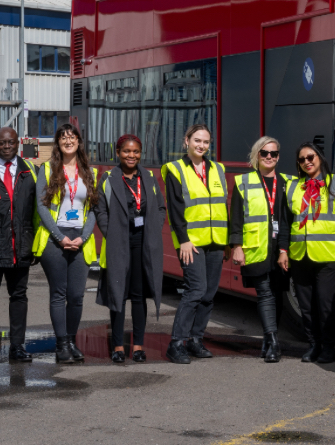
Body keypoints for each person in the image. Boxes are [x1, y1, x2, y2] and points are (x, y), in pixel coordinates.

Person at [277, 142, 335, 364]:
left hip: (326, 255)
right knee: (306, 306)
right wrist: (283, 251)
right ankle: (313, 345)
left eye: (311, 157)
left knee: (326, 304)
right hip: (299, 255)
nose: (307, 162)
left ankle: (328, 347)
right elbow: (286, 222)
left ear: (320, 158)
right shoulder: (294, 187)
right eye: (302, 159)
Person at [95, 134, 166, 364]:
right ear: (118, 152)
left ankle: (137, 346)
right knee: (118, 294)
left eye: (135, 152)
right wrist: (110, 232)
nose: (131, 155)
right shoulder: (108, 178)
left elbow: (160, 207)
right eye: (126, 151)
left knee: (138, 296)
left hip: (142, 242)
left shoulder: (149, 177)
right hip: (118, 242)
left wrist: (154, 229)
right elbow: (100, 209)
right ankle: (117, 346)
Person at [162, 123, 228, 365]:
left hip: (216, 241)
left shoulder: (217, 169)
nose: (201, 145)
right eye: (197, 140)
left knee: (209, 294)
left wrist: (228, 241)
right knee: (195, 291)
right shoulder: (175, 169)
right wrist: (183, 241)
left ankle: (195, 340)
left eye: (206, 142)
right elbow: (175, 209)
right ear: (186, 141)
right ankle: (176, 343)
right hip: (192, 243)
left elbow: (223, 205)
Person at [34, 123, 99, 364]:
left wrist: (84, 236)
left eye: (72, 137)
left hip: (81, 238)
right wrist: (60, 237)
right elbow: (41, 206)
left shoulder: (87, 171)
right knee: (59, 294)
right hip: (55, 238)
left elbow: (93, 208)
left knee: (77, 295)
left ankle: (72, 341)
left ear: (79, 142)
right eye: (63, 138)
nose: (68, 141)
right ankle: (61, 344)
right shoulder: (48, 169)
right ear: (58, 143)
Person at [0, 127, 38, 363]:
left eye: (11, 142)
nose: (7, 146)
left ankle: (17, 347)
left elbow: (36, 209)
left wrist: (34, 244)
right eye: (2, 143)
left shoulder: (30, 170)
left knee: (19, 296)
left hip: (20, 246)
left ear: (18, 143)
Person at [229, 136, 289, 363]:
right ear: (257, 155)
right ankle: (274, 341)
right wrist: (236, 246)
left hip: (281, 248)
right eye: (265, 153)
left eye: (274, 153)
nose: (269, 157)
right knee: (264, 294)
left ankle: (267, 339)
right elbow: (236, 217)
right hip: (256, 247)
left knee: (278, 294)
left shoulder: (288, 182)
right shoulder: (243, 182)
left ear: (278, 156)